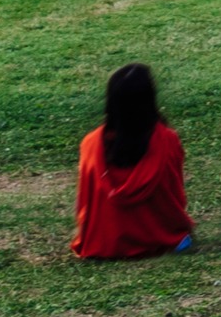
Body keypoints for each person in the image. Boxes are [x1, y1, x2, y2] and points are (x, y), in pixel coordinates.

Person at [72, 63, 193, 259]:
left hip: (103, 243)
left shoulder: (90, 144)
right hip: (161, 239)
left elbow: (85, 202)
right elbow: (173, 194)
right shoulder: (166, 141)